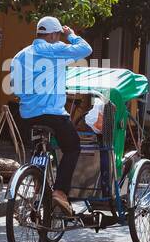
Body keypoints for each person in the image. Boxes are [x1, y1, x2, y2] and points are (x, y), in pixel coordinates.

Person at [9, 16, 92, 215]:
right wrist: (71, 36)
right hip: (53, 116)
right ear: (54, 35)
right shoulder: (54, 50)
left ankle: (38, 184)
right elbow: (86, 49)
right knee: (72, 147)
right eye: (59, 36)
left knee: (39, 149)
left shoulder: (19, 56)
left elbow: (16, 89)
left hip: (26, 116)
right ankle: (60, 192)